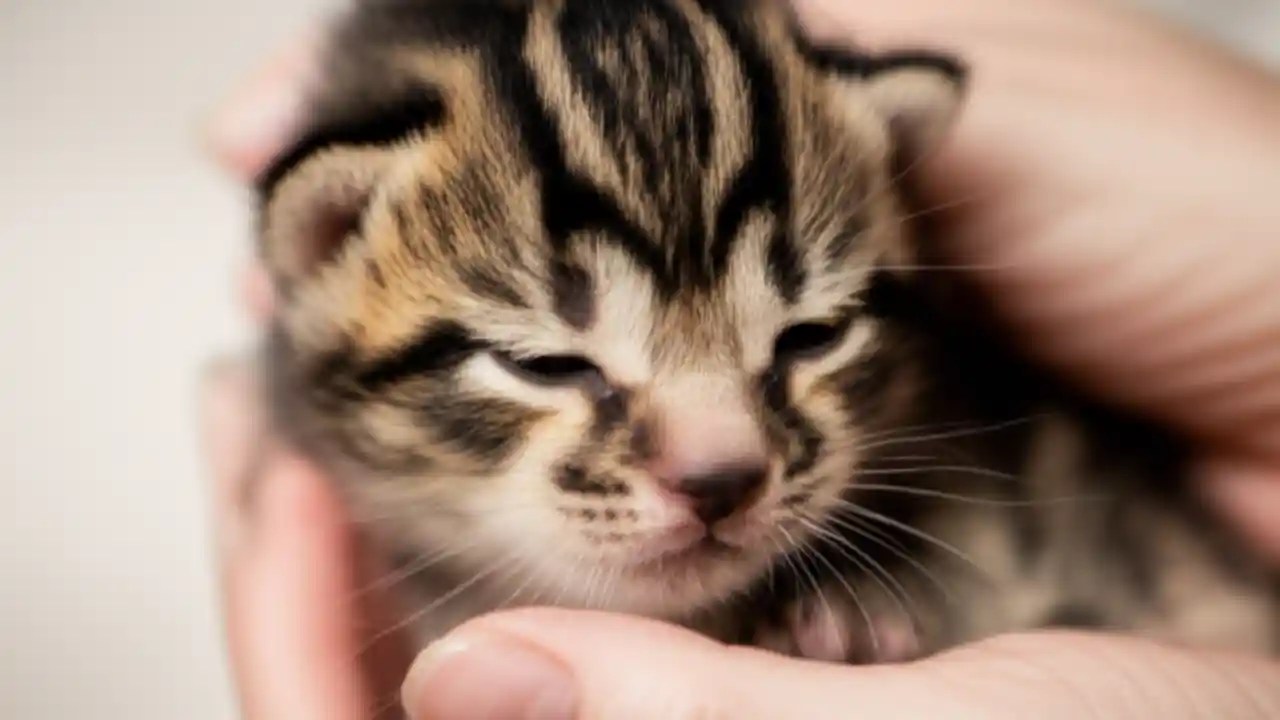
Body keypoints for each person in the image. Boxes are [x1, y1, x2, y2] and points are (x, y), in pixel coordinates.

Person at [200, 0, 1280, 717]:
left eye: (806, 336)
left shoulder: (990, 493)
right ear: (326, 237)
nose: (723, 458)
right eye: (546, 361)